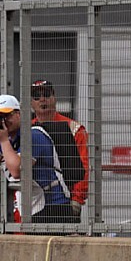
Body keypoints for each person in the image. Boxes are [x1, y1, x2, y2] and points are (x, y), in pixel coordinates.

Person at [0, 94, 73, 223]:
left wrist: (4, 141)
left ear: (19, 114)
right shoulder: (8, 141)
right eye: (0, 118)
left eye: (8, 115)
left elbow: (17, 171)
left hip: (53, 207)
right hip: (31, 207)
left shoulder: (34, 135)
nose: (4, 121)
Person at [28, 79, 88, 220]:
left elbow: (84, 167)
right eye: (36, 96)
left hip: (63, 199)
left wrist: (77, 200)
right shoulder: (26, 130)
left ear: (55, 98)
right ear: (31, 102)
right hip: (32, 201)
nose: (42, 100)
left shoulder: (74, 129)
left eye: (47, 94)